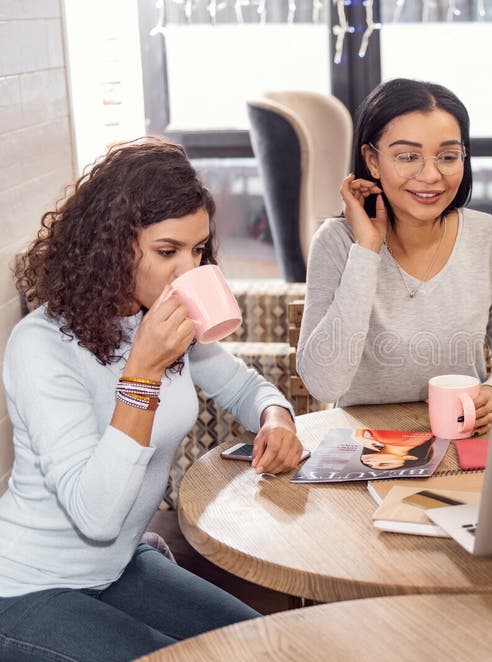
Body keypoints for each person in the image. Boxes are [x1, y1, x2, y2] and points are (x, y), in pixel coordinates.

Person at [0, 138, 305, 661]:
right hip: (29, 588)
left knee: (272, 650)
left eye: (198, 250)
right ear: (111, 244)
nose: (188, 271)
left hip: (118, 568)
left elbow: (245, 386)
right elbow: (95, 517)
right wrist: (141, 372)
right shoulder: (41, 346)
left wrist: (277, 419)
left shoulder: (162, 318)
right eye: (168, 251)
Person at [297, 78, 492, 436]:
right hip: (367, 453)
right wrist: (366, 248)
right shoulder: (337, 243)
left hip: (461, 441)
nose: (430, 175)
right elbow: (324, 384)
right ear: (372, 161)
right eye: (407, 157)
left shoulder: (490, 238)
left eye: (448, 156)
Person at [356, 429, 435, 470]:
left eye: (370, 464)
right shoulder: (395, 440)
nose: (374, 462)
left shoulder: (377, 440)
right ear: (410, 458)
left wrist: (358, 434)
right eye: (384, 464)